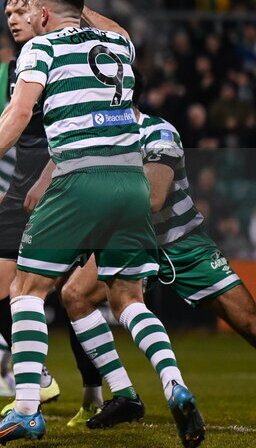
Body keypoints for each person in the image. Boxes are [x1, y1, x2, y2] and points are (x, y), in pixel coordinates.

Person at [0, 0, 205, 448]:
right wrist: (75, 3)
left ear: (45, 14)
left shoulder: (39, 50)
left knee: (26, 290)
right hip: (131, 182)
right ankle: (174, 383)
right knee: (128, 298)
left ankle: (27, 409)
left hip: (78, 180)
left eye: (30, 9)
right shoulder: (119, 42)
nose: (24, 17)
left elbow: (19, 112)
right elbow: (98, 20)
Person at [58, 102, 256, 431]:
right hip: (130, 239)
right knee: (75, 295)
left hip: (182, 243)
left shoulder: (158, 133)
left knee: (250, 323)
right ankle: (125, 396)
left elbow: (153, 199)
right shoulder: (100, 138)